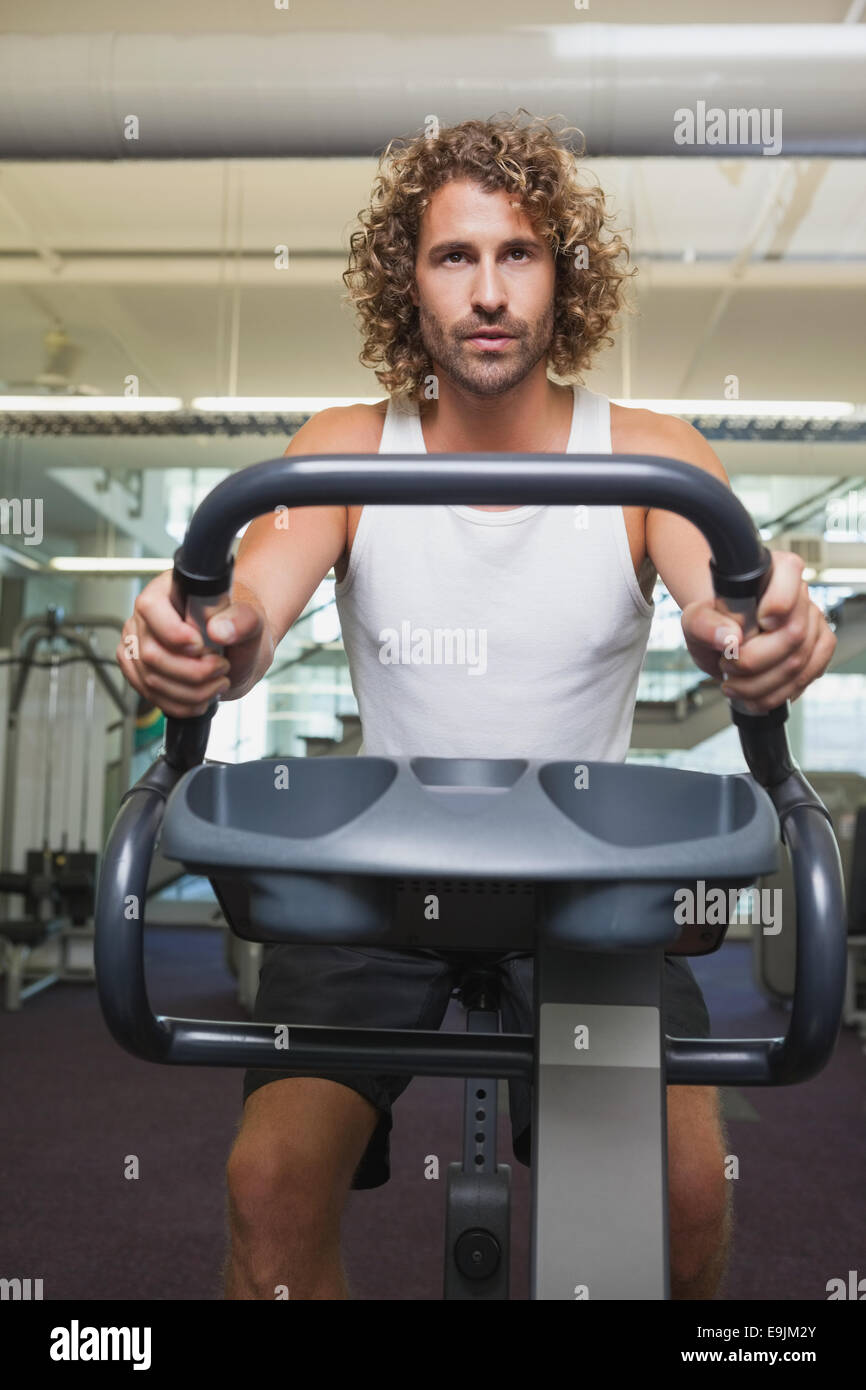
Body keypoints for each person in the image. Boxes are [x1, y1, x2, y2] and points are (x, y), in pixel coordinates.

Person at [117, 112, 836, 1300]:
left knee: (684, 1198)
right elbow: (246, 604)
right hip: (375, 887)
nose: (489, 291)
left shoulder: (646, 457)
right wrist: (204, 636)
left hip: (590, 891)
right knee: (268, 1187)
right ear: (411, 283)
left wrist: (752, 635)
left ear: (564, 277)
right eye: (455, 257)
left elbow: (725, 604)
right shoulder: (344, 454)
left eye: (519, 254)